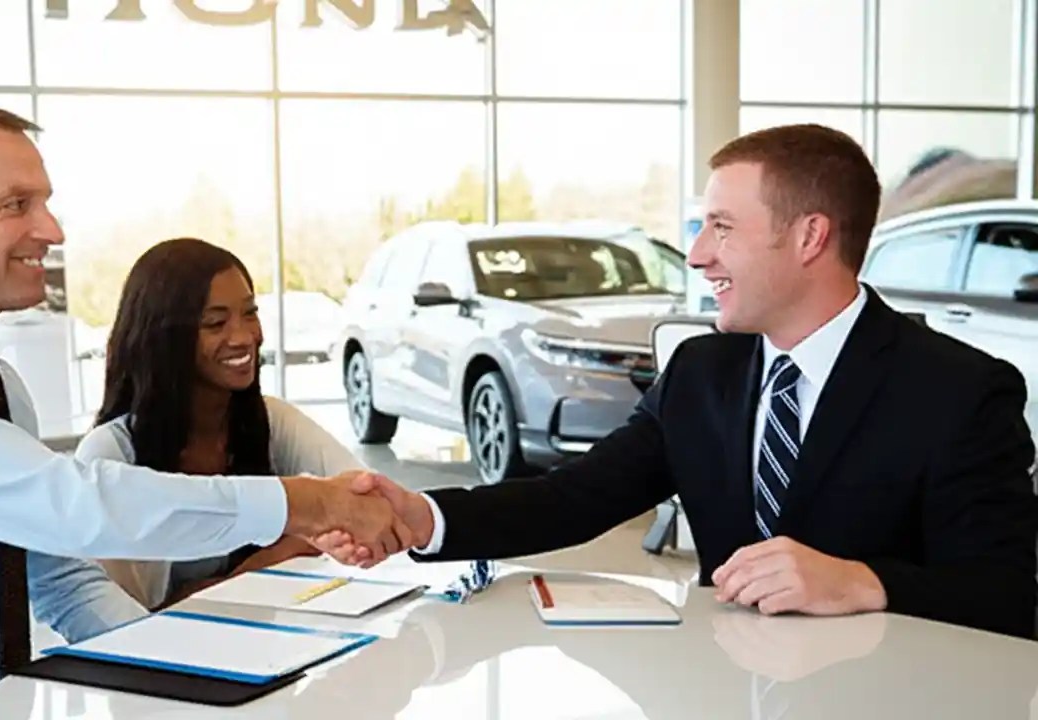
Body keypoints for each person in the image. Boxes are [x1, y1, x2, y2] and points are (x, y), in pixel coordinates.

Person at [0, 102, 409, 720]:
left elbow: (60, 572)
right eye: (16, 205)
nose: (52, 230)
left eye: (44, 203)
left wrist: (195, 672)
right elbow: (64, 503)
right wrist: (304, 502)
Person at [319, 123, 1038, 639]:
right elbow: (573, 499)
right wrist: (426, 518)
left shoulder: (960, 393)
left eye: (721, 227)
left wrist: (863, 582)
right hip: (720, 685)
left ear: (811, 236)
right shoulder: (701, 371)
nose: (696, 254)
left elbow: (1007, 596)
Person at [76, 238, 362, 609]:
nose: (243, 336)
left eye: (250, 313)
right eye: (215, 323)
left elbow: (360, 499)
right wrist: (290, 545)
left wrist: (232, 581)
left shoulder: (271, 420)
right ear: (164, 337)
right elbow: (118, 617)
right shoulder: (108, 455)